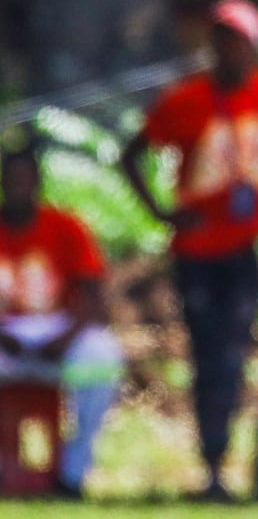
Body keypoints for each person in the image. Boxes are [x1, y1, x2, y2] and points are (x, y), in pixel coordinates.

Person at [118, 0, 258, 501]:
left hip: (245, 250)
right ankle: (211, 468)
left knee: (233, 357)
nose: (229, 49)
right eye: (222, 39)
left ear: (254, 46)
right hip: (195, 252)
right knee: (206, 355)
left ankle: (226, 462)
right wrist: (160, 212)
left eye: (238, 40)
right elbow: (132, 155)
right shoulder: (186, 100)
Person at [0, 129, 122, 499]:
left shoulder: (65, 226)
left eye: (25, 178)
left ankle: (72, 474)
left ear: (37, 182)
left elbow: (94, 297)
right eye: (11, 179)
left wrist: (64, 339)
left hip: (58, 331)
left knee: (103, 355)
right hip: (5, 339)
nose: (19, 186)